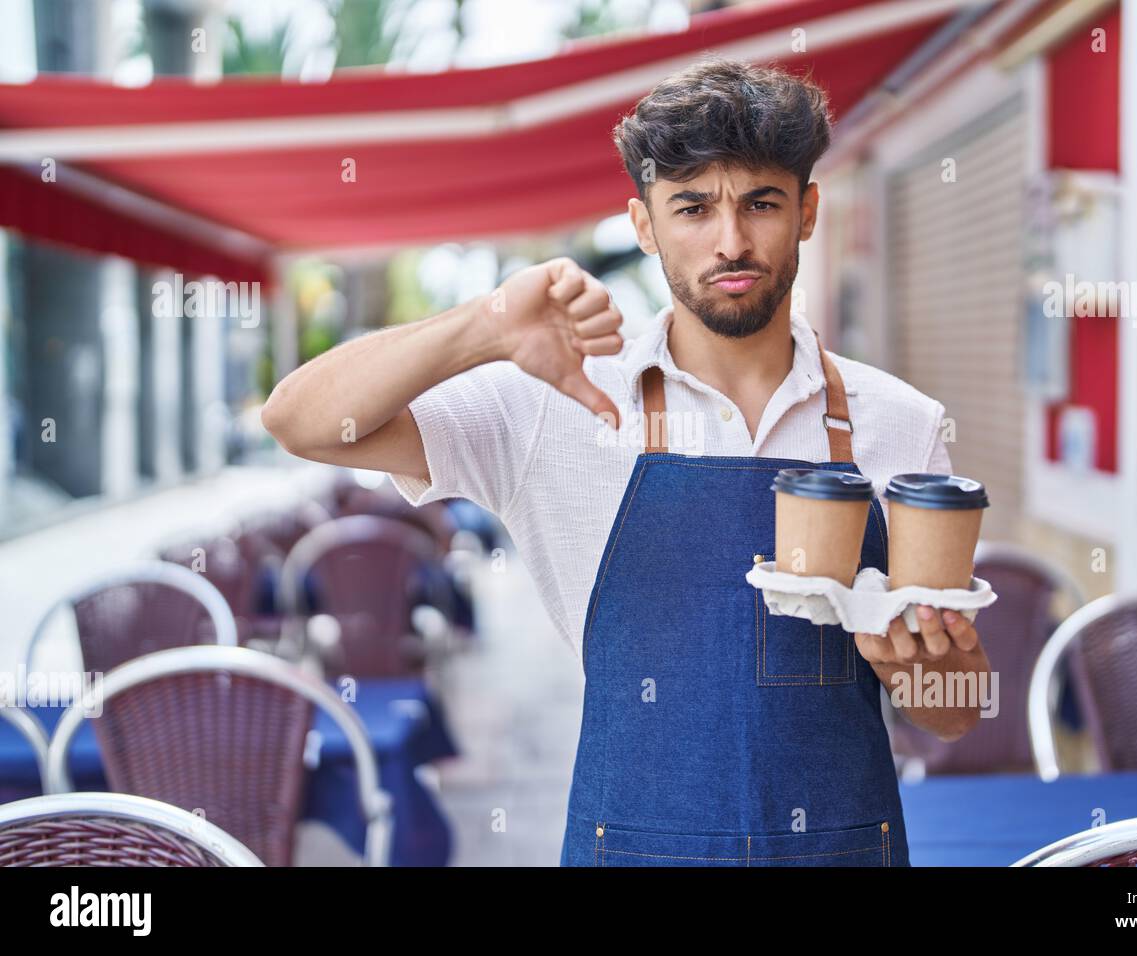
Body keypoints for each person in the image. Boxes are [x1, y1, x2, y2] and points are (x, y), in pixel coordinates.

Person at [262, 56, 990, 867]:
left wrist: (927, 667)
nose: (732, 241)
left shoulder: (902, 425)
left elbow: (955, 713)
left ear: (807, 211)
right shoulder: (552, 404)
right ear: (643, 226)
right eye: (691, 207)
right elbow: (302, 420)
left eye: (761, 202)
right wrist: (489, 323)